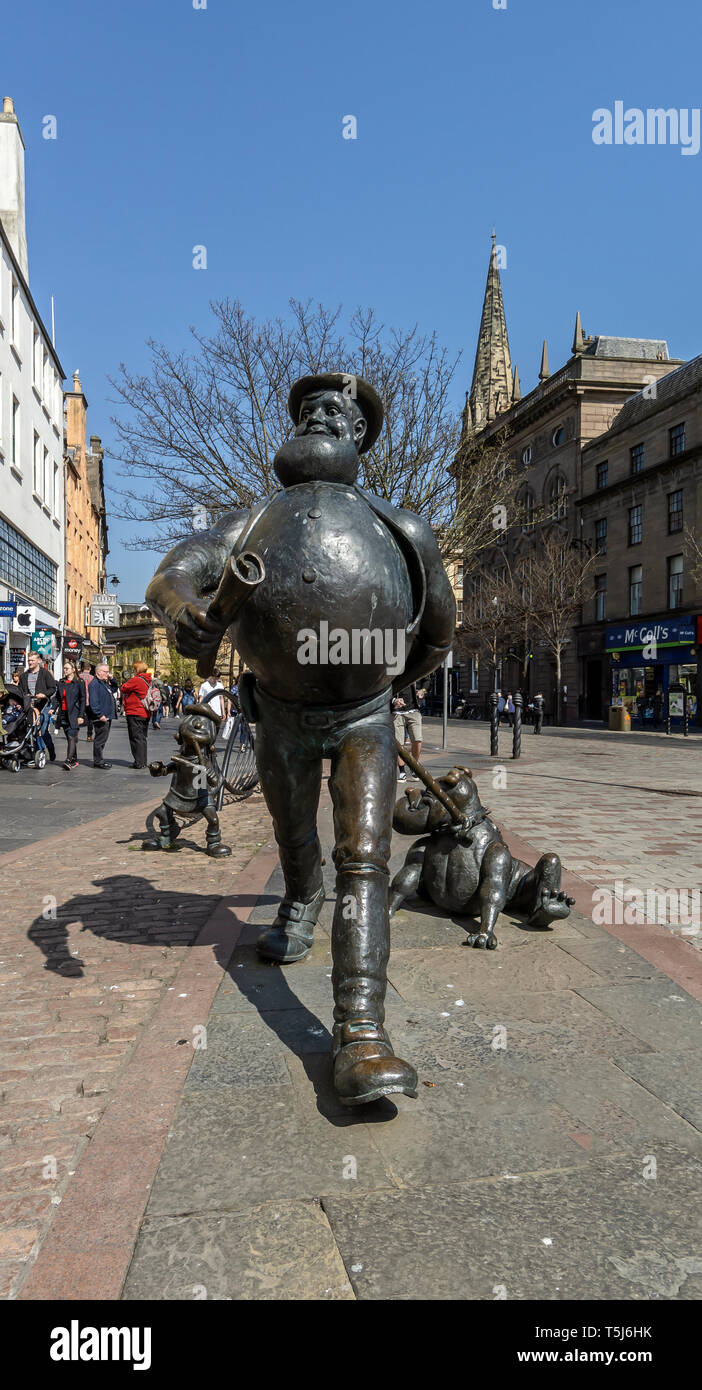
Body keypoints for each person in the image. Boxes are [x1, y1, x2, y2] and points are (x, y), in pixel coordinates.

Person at [147, 370, 455, 1106]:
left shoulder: (401, 528)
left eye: (334, 411)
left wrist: (377, 679)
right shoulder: (251, 522)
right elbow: (174, 571)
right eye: (307, 410)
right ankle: (297, 904)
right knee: (293, 834)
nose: (318, 416)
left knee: (366, 857)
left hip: (363, 717)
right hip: (278, 712)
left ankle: (360, 1034)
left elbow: (437, 634)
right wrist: (181, 609)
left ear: (359, 437)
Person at [19, 650, 57, 762]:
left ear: (38, 661)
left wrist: (44, 694)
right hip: (30, 706)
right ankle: (37, 751)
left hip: (43, 705)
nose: (30, 662)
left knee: (42, 730)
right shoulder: (24, 676)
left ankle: (49, 748)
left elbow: (53, 688)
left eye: (32, 660)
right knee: (32, 729)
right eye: (29, 660)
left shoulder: (45, 673)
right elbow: (21, 690)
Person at [121, 661, 153, 768]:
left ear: (137, 670)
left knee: (135, 738)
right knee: (142, 738)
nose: (132, 671)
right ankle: (143, 761)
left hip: (135, 712)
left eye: (133, 669)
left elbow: (123, 688)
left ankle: (139, 762)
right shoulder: (148, 680)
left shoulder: (136, 680)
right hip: (145, 713)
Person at [56, 660, 86, 770]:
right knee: (70, 737)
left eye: (67, 668)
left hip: (74, 713)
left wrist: (81, 715)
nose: (65, 670)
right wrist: (53, 709)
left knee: (71, 736)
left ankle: (68, 760)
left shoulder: (79, 682)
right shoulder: (61, 682)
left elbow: (83, 699)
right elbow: (58, 699)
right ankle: (74, 760)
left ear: (73, 670)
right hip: (63, 714)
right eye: (64, 668)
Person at [87, 663, 117, 769]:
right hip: (101, 717)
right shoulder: (95, 684)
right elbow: (93, 702)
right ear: (99, 672)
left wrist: (113, 679)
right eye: (106, 672)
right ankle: (98, 761)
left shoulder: (103, 683)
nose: (108, 674)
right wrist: (99, 715)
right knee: (100, 739)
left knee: (103, 739)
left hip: (107, 715)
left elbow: (114, 689)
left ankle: (99, 759)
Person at [392, 682, 423, 782]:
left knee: (417, 740)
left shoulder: (415, 668)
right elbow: (384, 688)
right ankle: (402, 772)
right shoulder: (393, 669)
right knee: (399, 744)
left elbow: (427, 680)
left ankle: (413, 767)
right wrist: (394, 700)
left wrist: (423, 690)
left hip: (414, 710)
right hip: (397, 712)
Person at [79, 663, 95, 742]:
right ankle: (89, 736)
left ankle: (75, 734)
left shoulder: (78, 677)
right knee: (90, 719)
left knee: (78, 716)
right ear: (90, 669)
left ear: (83, 668)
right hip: (90, 701)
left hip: (79, 701)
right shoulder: (92, 678)